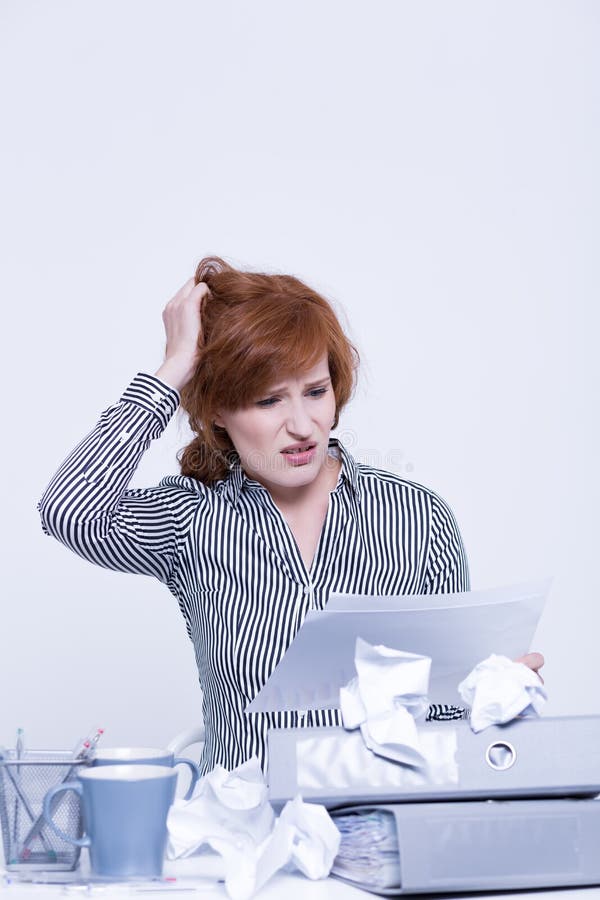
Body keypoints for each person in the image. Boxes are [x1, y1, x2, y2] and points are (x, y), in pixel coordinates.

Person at [38, 256, 543, 774]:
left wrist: (491, 697)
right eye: (268, 401)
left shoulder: (418, 517)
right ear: (217, 410)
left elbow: (445, 719)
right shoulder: (192, 518)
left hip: (387, 816)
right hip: (244, 818)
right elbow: (67, 509)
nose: (302, 425)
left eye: (316, 392)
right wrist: (173, 369)